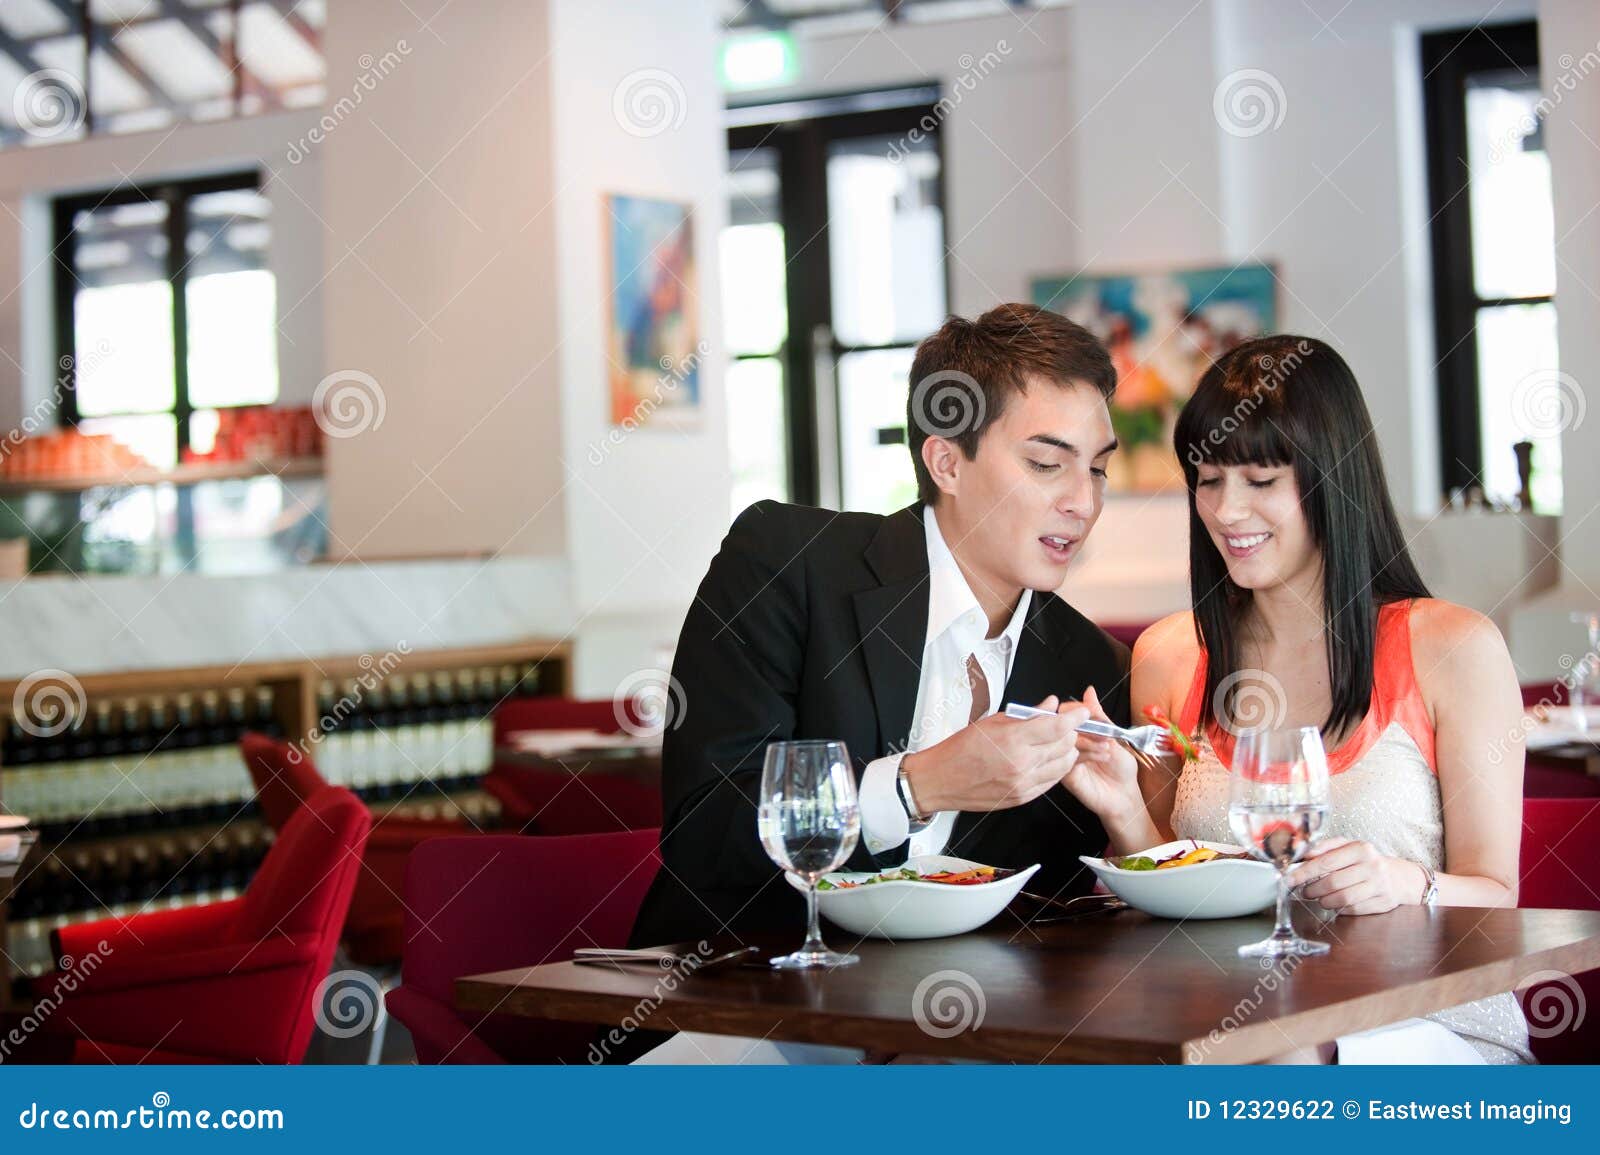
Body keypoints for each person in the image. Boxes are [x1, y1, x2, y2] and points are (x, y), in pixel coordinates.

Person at [629, 303, 1159, 960]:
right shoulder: (786, 565)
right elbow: (705, 834)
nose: (1084, 500)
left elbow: (1061, 919)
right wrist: (915, 786)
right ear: (947, 462)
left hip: (962, 1028)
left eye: (1099, 467)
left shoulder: (1094, 666)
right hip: (738, 995)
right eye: (1048, 464)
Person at [1101, 334, 1531, 1063]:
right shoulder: (1170, 656)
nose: (1226, 510)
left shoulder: (1454, 648)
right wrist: (1118, 806)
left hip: (1434, 1023)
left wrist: (1406, 882)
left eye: (1261, 479)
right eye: (1206, 480)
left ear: (1333, 479)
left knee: (1275, 1059)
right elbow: (1176, 887)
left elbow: (1497, 895)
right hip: (1237, 1015)